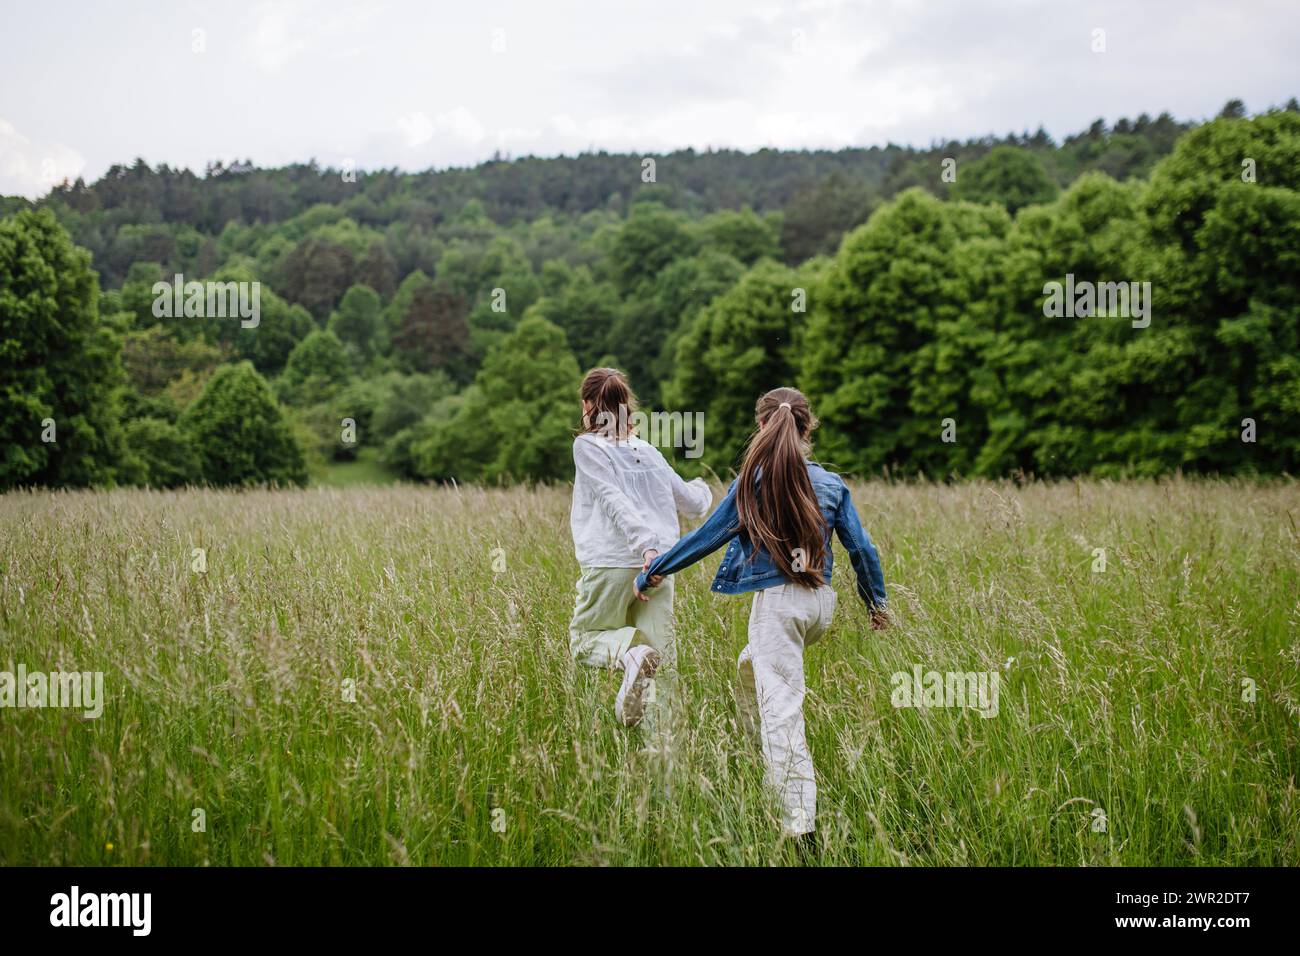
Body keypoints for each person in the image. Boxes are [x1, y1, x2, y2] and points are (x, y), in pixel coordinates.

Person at [635, 386, 887, 839]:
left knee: (782, 713)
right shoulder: (831, 482)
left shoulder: (753, 480)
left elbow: (707, 537)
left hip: (779, 605)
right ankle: (765, 759)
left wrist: (653, 571)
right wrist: (876, 603)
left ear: (761, 426)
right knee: (751, 668)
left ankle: (799, 829)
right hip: (819, 606)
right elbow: (863, 550)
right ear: (808, 429)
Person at [568, 367, 712, 737]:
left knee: (584, 642)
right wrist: (705, 487)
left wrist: (643, 545)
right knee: (662, 668)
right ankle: (664, 765)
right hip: (661, 566)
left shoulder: (587, 446)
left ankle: (630, 654)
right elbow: (694, 505)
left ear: (587, 405)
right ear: (626, 406)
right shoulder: (648, 451)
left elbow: (614, 501)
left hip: (612, 561)